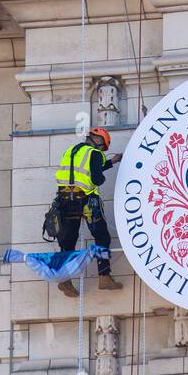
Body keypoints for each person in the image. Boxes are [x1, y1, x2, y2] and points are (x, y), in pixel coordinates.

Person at [52, 126, 123, 297]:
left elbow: (83, 171)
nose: (101, 150)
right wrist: (103, 175)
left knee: (68, 241)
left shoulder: (71, 151)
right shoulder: (94, 153)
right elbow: (96, 178)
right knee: (102, 237)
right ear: (98, 141)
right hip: (86, 201)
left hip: (65, 200)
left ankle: (64, 280)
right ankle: (104, 277)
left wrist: (111, 162)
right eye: (102, 146)